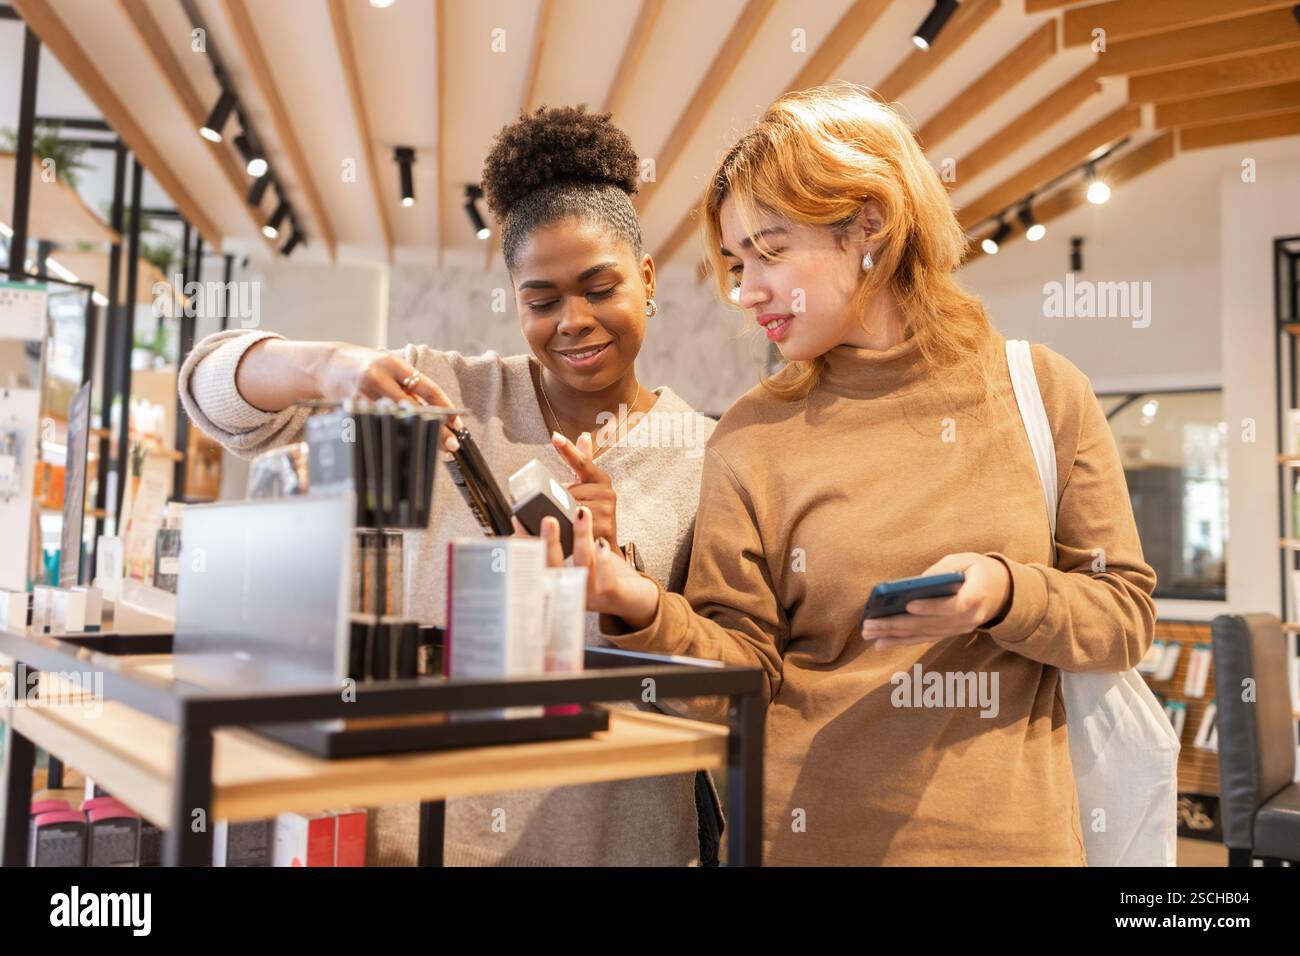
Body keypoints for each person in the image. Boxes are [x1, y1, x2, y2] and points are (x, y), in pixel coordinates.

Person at [555, 83, 1158, 866]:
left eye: (772, 251)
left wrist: (1005, 592)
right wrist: (636, 605)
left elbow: (1123, 617)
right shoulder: (751, 434)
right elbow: (740, 681)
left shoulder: (1040, 392)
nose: (748, 290)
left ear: (870, 222)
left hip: (1014, 845)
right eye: (737, 263)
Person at [178, 105, 718, 866]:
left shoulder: (706, 456)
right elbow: (213, 394)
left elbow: (724, 685)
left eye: (600, 288)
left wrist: (625, 588)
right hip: (424, 835)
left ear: (649, 276)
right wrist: (329, 367)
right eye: (542, 300)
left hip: (617, 840)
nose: (574, 321)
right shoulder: (441, 394)